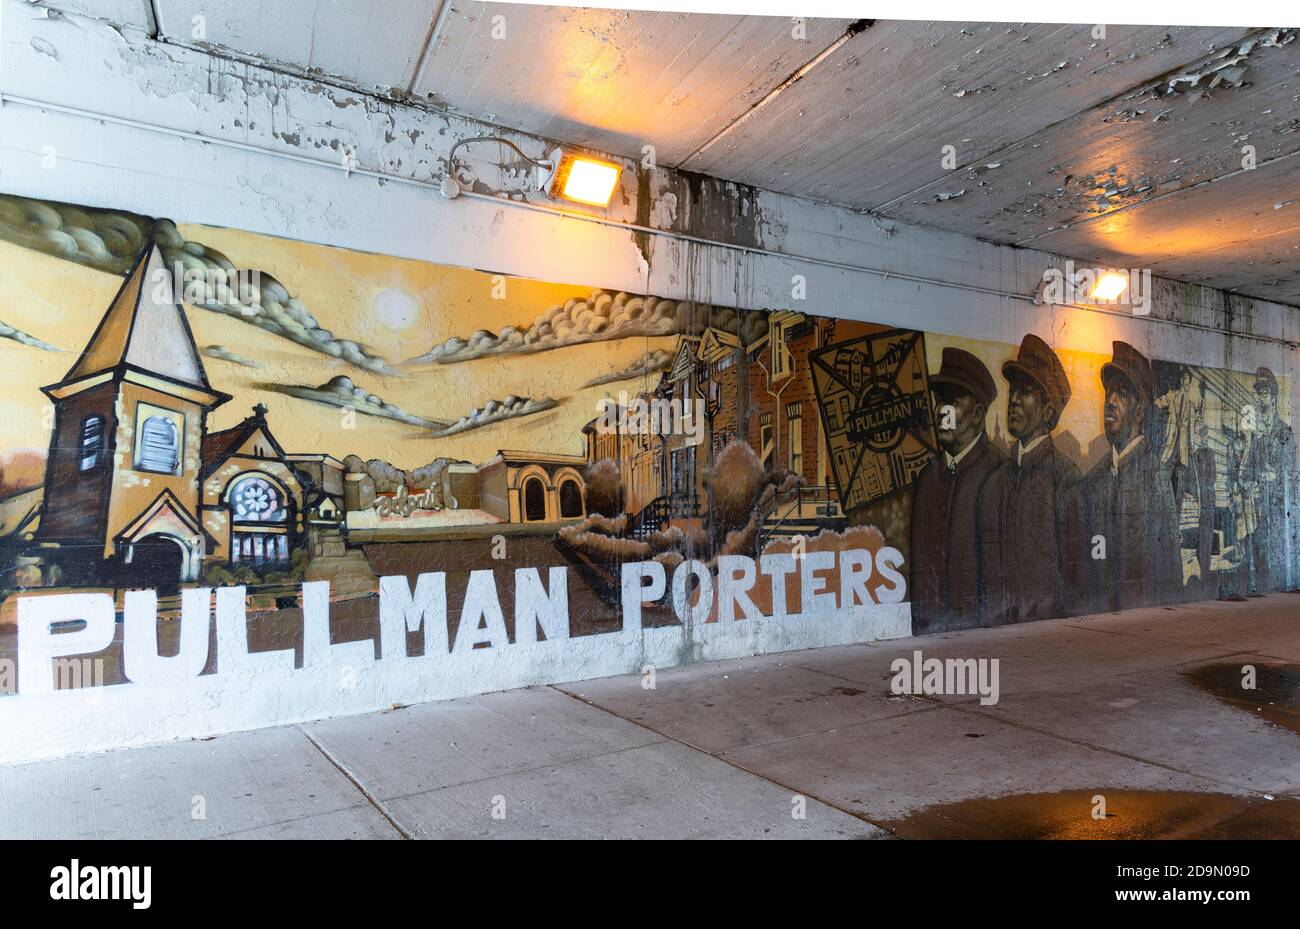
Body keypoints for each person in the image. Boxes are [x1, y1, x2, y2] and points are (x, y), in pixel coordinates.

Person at [981, 334, 1085, 623]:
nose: (1013, 399)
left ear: (1048, 410)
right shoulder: (997, 481)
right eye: (1012, 388)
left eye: (1025, 391)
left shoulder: (1065, 478)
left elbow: (1075, 569)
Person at [1081, 341, 1183, 611]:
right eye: (1109, 392)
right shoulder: (1092, 481)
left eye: (1122, 393)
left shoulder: (1156, 479)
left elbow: (1170, 563)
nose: (1110, 402)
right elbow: (1092, 550)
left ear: (1140, 411)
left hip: (1145, 614)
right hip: (1100, 612)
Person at [910, 348, 1005, 632]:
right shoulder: (928, 477)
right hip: (929, 629)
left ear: (977, 414)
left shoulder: (1001, 473)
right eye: (939, 400)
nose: (941, 411)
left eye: (951, 402)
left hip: (980, 632)